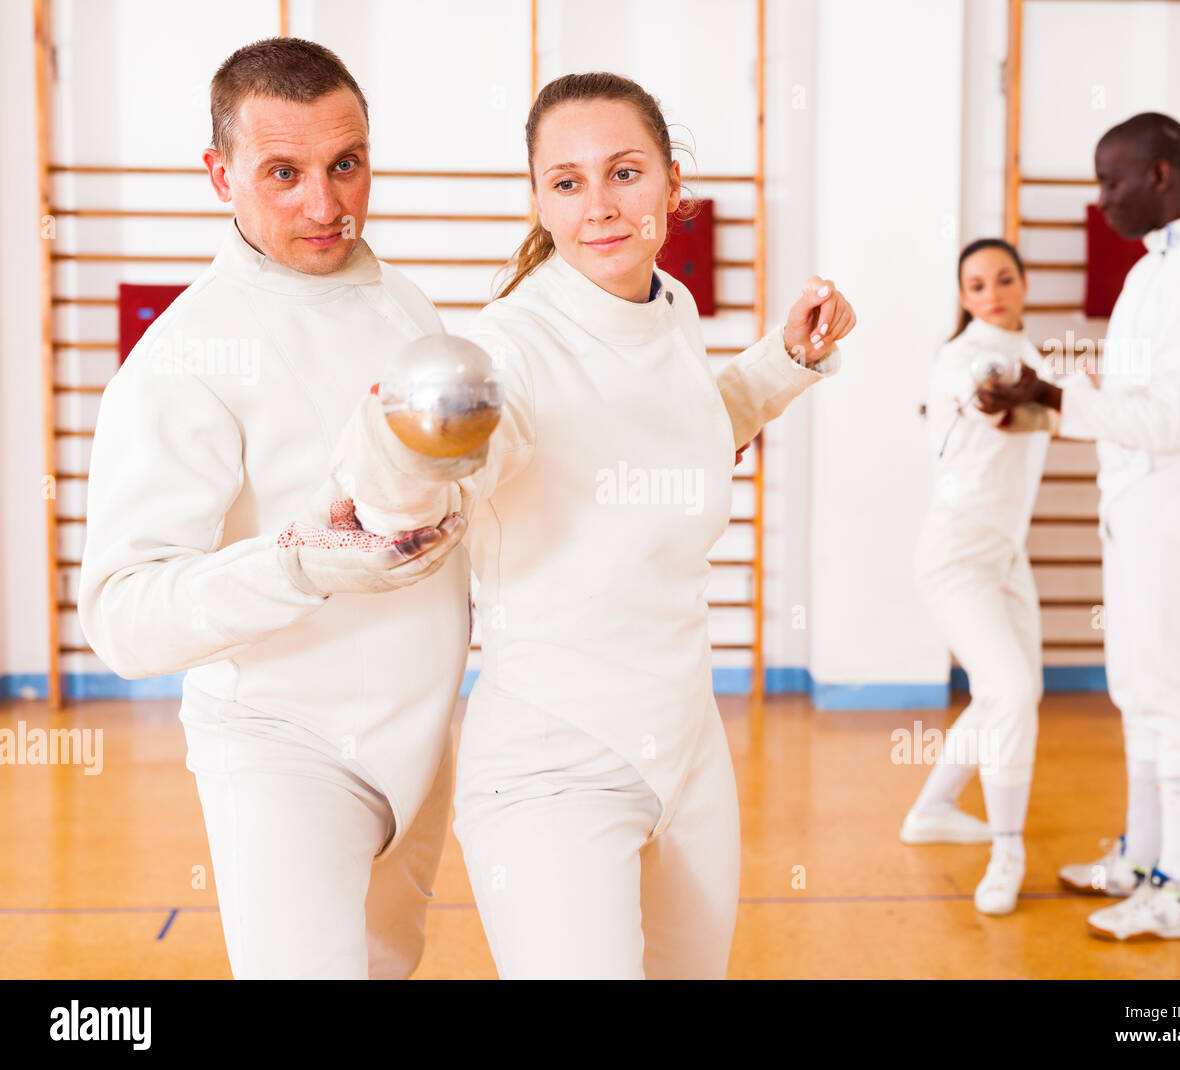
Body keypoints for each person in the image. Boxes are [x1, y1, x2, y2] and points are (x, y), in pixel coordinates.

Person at [332, 71, 856, 978]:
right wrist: (404, 456)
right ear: (539, 200)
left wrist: (785, 362)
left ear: (672, 187)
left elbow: (670, 436)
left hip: (688, 745)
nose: (600, 206)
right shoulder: (512, 348)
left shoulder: (671, 309)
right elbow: (457, 470)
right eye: (567, 182)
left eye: (624, 173)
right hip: (553, 766)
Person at [78, 38, 471, 978]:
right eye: (283, 173)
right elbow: (121, 615)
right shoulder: (184, 355)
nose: (325, 205)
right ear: (221, 176)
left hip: (422, 742)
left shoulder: (409, 307)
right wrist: (295, 563)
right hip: (281, 749)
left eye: (347, 165)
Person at [976, 112, 1180, 940]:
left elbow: (1166, 419)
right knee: (1136, 688)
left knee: (1176, 695)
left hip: (1178, 505)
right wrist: (1045, 390)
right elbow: (1129, 392)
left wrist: (1050, 396)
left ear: (1162, 175)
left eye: (1113, 182)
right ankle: (1144, 855)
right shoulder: (1149, 273)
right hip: (1138, 509)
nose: (1101, 201)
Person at [903, 238, 1055, 915]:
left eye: (1003, 279)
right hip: (956, 554)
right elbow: (1003, 402)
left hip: (1005, 554)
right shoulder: (962, 359)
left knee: (1012, 694)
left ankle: (932, 810)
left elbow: (1045, 398)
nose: (991, 292)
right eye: (976, 285)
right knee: (1012, 691)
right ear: (963, 299)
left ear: (1023, 284)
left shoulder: (1038, 356)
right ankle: (1008, 849)